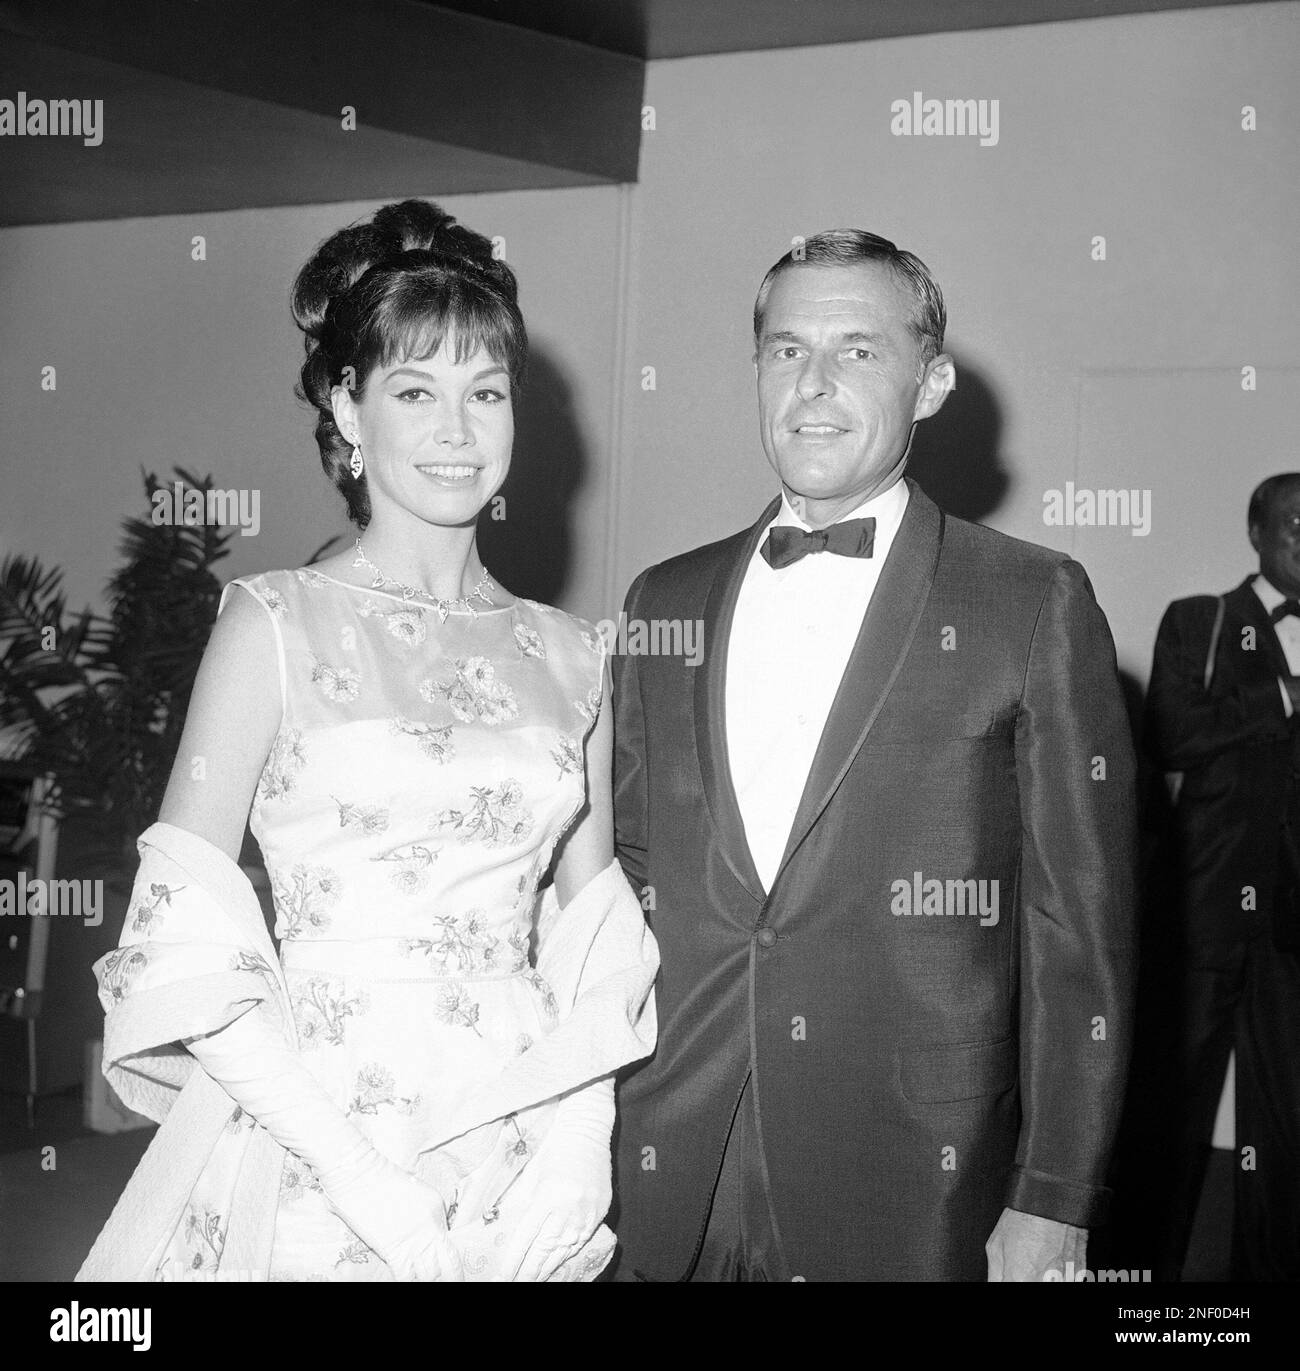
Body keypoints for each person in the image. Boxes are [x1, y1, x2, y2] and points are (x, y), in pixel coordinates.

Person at [78, 199, 657, 1283]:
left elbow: (593, 928)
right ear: (348, 409)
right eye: (412, 391)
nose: (455, 430)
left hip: (513, 1133)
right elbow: (187, 931)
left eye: (483, 392)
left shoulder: (575, 652)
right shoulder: (270, 623)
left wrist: (578, 1144)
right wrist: (360, 1180)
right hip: (315, 1129)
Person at [607, 230, 1138, 1282]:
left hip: (914, 1172)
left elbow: (1081, 929)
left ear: (929, 383)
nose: (812, 384)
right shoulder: (660, 600)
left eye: (857, 351)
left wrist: (1055, 1198)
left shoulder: (1031, 599)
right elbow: (627, 877)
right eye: (785, 349)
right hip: (673, 1152)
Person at [1143, 473, 1300, 1281]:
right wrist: (1282, 694)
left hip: (1292, 927)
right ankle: (1142, 1288)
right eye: (1294, 523)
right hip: (1203, 910)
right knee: (1172, 1114)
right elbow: (1171, 732)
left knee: (1286, 1131)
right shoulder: (1201, 621)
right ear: (1255, 530)